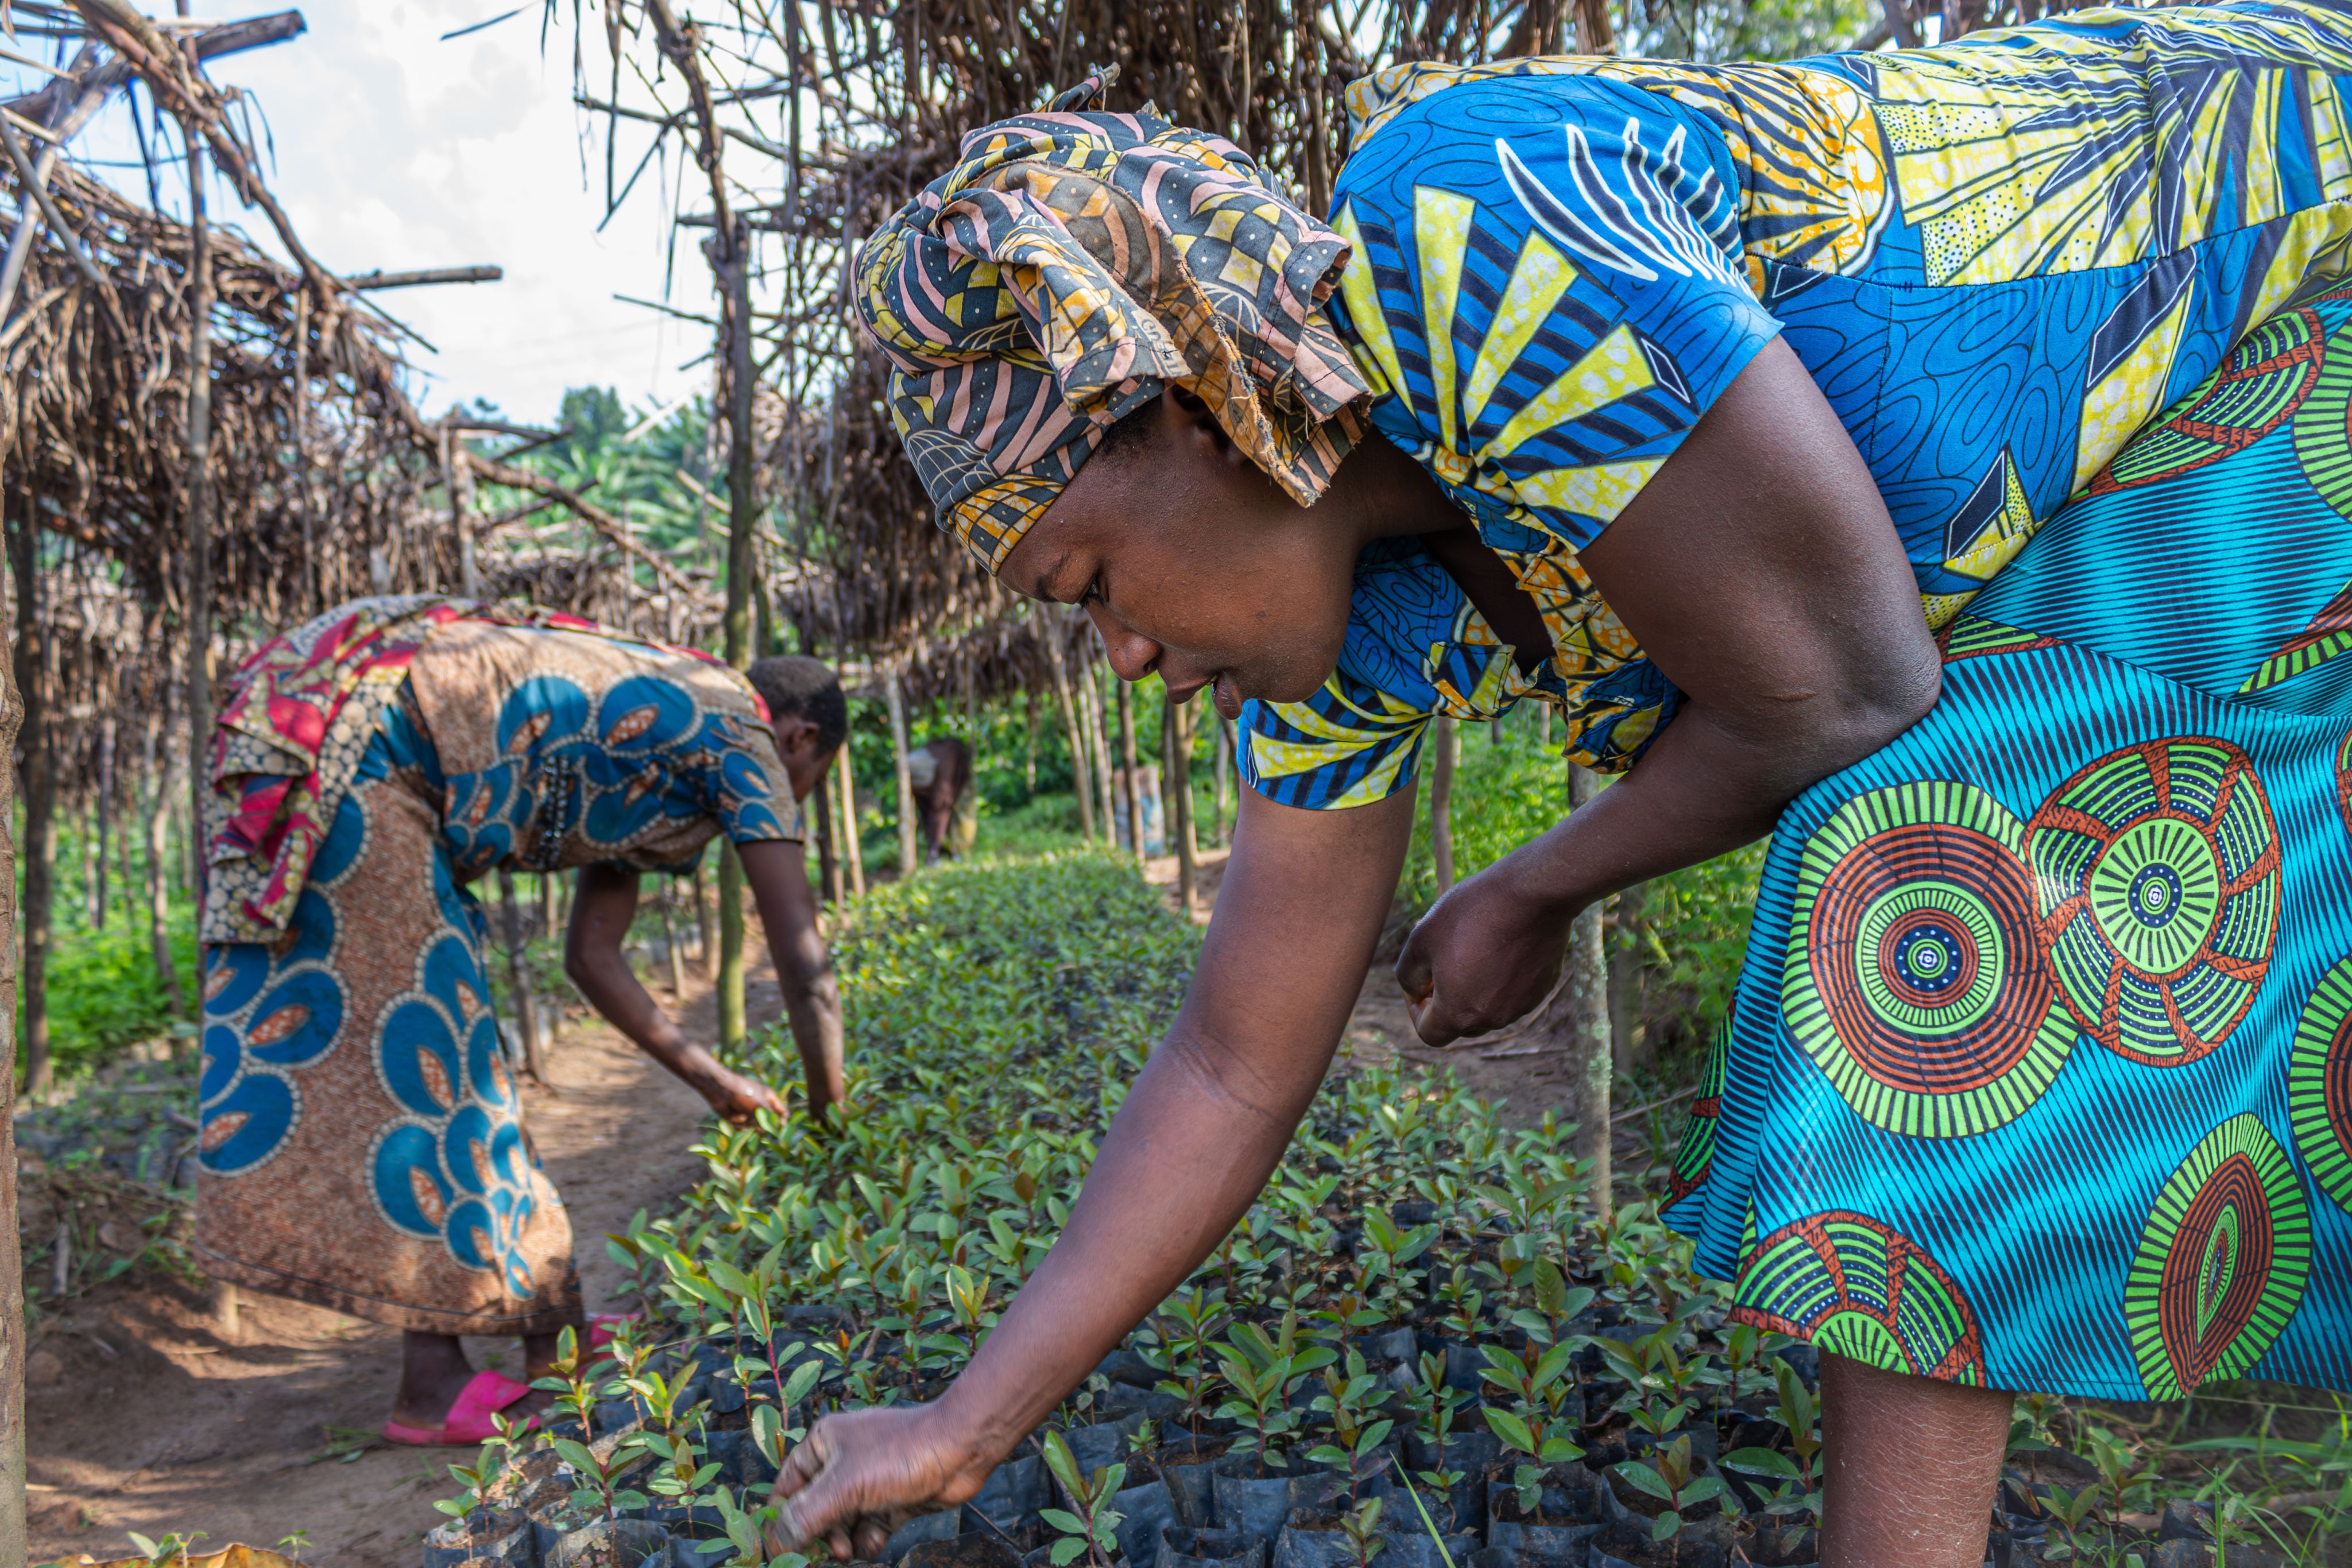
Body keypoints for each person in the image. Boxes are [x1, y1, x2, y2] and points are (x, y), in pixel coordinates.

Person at [780, 8, 2352, 1566]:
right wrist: (964, 1422)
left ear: (1194, 408)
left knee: (1925, 907)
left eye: (1096, 578)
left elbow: (1849, 685)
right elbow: (1232, 1064)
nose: (1123, 653)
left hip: (2287, 264)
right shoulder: (1353, 634)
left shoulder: (1464, 225)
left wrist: (1533, 881)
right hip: (2173, 456)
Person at [192, 597, 847, 1445]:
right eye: (810, 784)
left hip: (339, 722)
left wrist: (716, 1081)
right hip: (363, 755)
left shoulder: (667, 732)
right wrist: (834, 1120)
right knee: (433, 1063)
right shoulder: (745, 737)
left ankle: (553, 1332)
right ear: (797, 738)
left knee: (464, 1061)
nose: (792, 804)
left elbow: (593, 957)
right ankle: (429, 1387)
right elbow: (806, 965)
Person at [907, 736, 975, 861]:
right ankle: (933, 852)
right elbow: (941, 806)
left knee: (933, 814)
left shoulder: (944, 751)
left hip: (915, 769)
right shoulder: (951, 756)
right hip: (922, 770)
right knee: (939, 814)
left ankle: (938, 850)